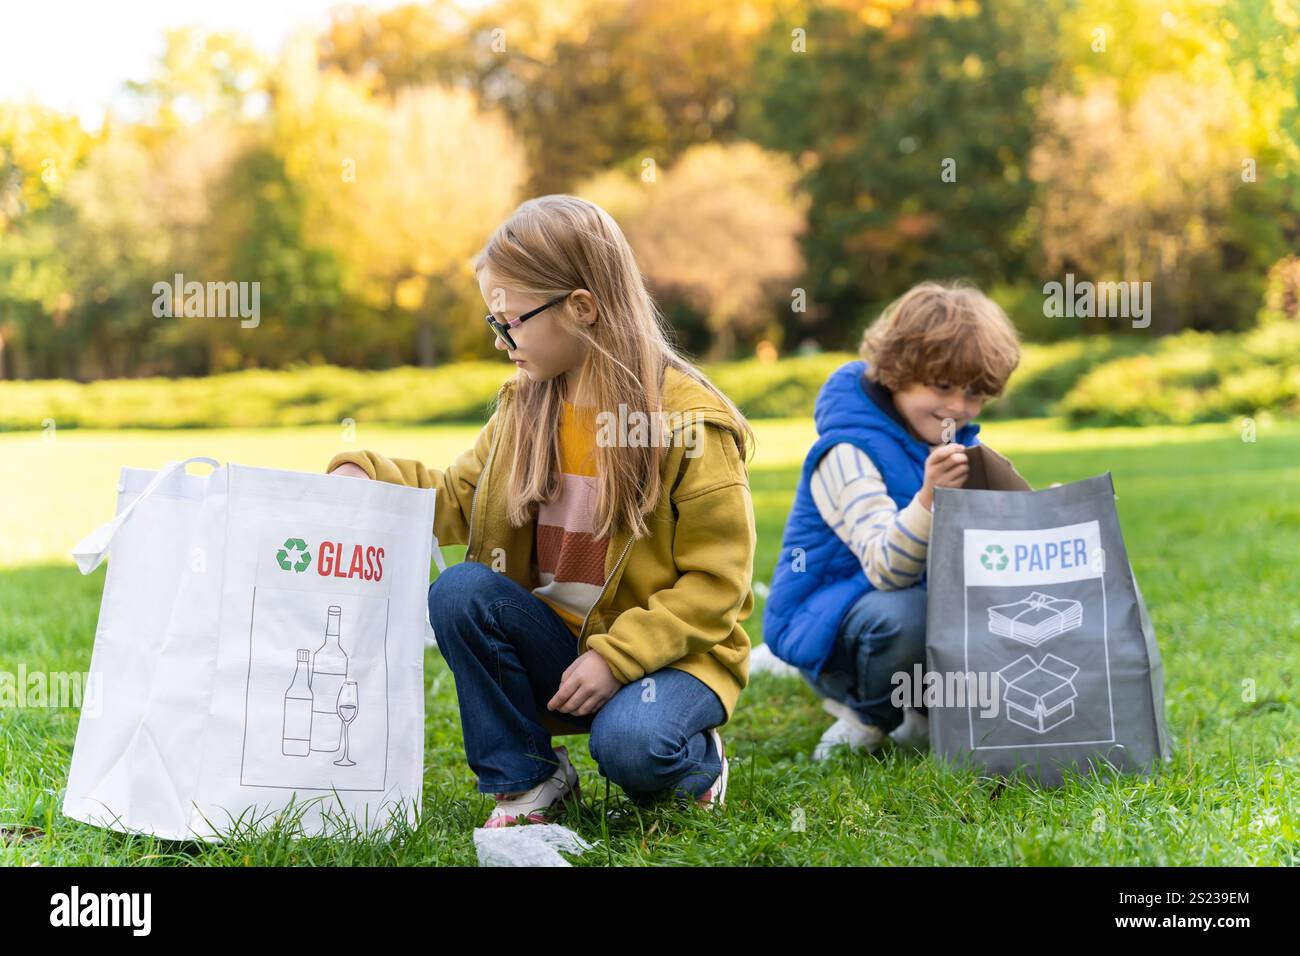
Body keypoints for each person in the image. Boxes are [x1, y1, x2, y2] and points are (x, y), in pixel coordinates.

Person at [327, 195, 756, 826]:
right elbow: (457, 499)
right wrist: (371, 476)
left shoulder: (687, 424)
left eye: (512, 322)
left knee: (631, 750)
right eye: (493, 323)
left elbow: (718, 584)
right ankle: (530, 778)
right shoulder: (523, 409)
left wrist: (617, 658)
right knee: (462, 590)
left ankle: (696, 760)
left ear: (581, 308)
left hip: (669, 657)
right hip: (558, 650)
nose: (503, 341)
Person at [763, 281, 1020, 760]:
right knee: (910, 615)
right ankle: (863, 716)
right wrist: (928, 498)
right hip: (842, 631)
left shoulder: (949, 441)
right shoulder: (845, 453)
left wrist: (1031, 516)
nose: (958, 408)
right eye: (942, 387)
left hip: (911, 628)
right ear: (896, 372)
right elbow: (888, 571)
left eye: (974, 394)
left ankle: (920, 708)